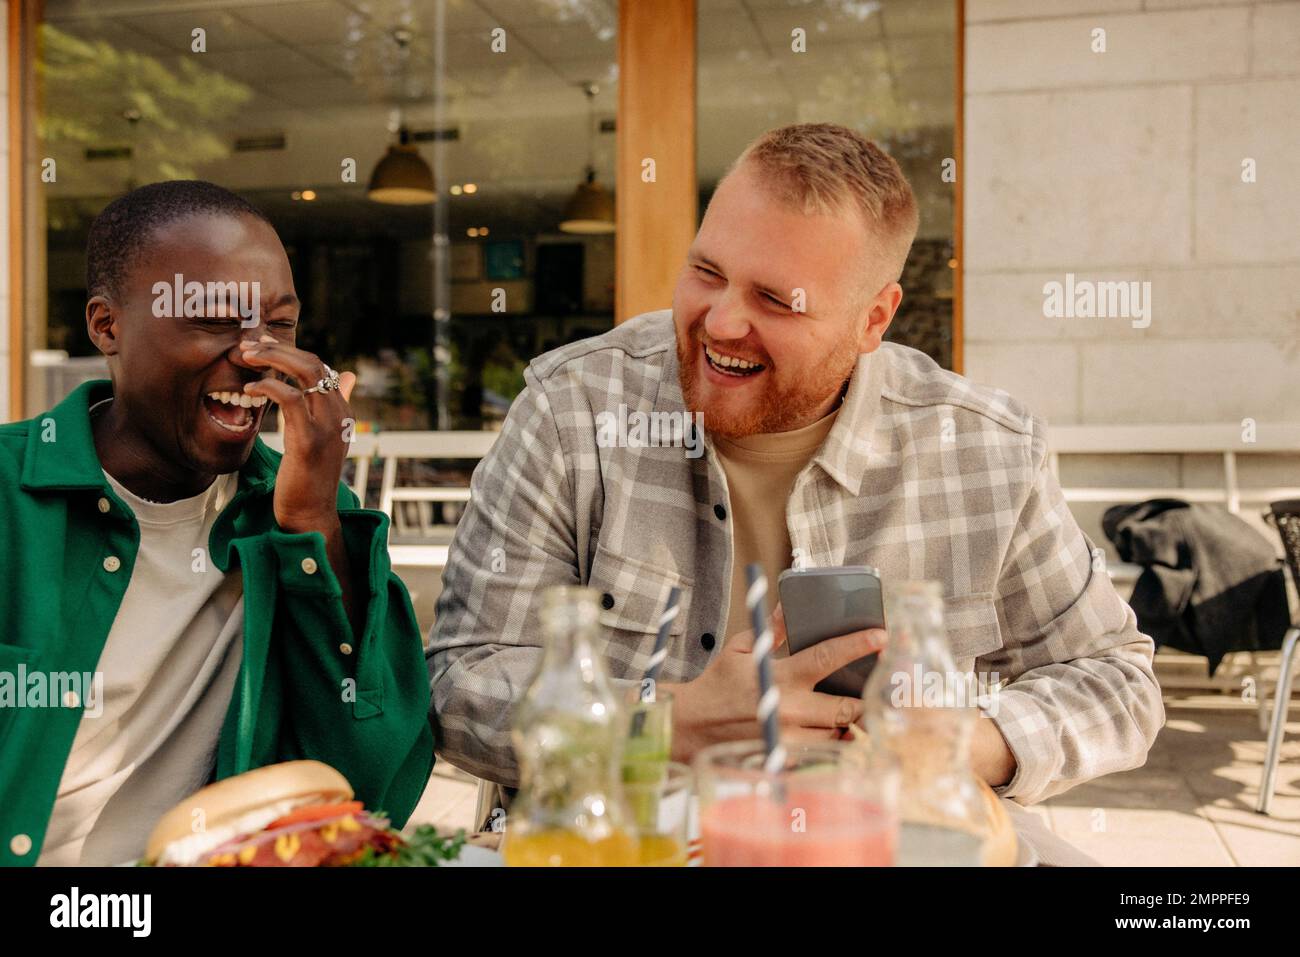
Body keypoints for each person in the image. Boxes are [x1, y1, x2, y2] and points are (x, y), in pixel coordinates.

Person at [428, 123, 1164, 814]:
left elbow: (1117, 680)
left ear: (874, 318)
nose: (720, 321)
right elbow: (457, 682)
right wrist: (659, 726)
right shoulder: (573, 410)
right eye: (707, 271)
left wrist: (960, 742)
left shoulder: (985, 448)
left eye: (776, 300)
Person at [0, 181, 433, 866]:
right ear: (106, 326)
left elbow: (373, 791)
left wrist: (312, 525)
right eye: (213, 318)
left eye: (281, 324)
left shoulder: (300, 511)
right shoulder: (10, 495)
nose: (256, 352)